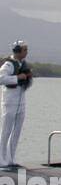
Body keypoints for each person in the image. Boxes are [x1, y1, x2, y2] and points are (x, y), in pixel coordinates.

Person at [0, 39, 33, 170]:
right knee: (6, 130)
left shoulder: (23, 64)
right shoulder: (8, 64)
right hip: (10, 101)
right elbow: (1, 78)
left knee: (17, 131)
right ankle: (1, 158)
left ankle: (11, 158)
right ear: (18, 51)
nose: (26, 52)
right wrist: (17, 78)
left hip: (21, 101)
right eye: (24, 49)